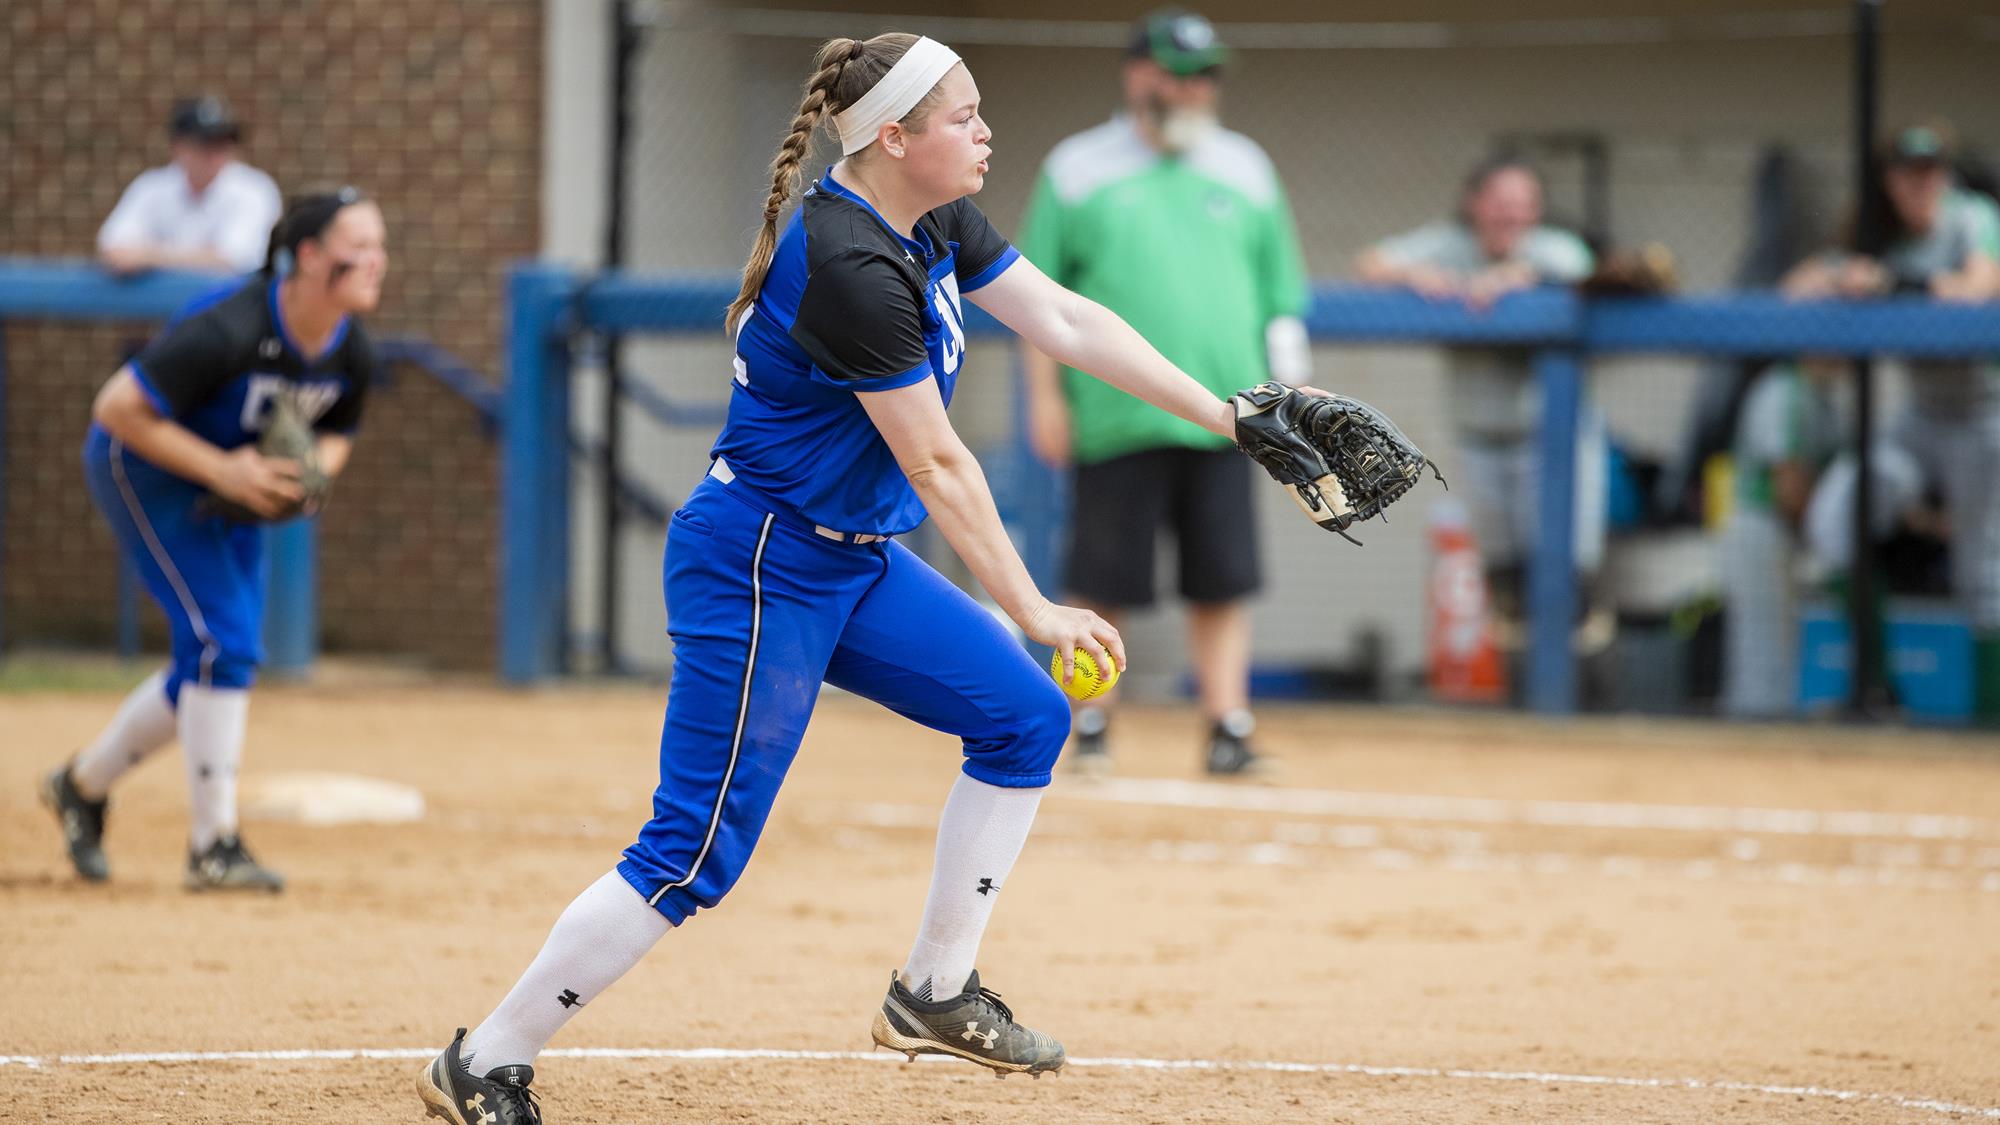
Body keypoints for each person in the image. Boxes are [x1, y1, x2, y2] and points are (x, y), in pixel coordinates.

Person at [416, 33, 1385, 1122]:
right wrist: (1030, 606)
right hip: (760, 563)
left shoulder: (928, 222)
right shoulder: (848, 262)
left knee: (1022, 718)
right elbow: (937, 461)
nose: (984, 131)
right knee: (694, 853)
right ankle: (486, 1057)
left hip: (852, 560)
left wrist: (1226, 416)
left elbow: (1061, 318)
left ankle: (931, 990)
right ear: (891, 138)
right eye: (962, 115)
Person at [39, 189, 387, 892]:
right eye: (359, 246)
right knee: (223, 643)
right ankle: (214, 846)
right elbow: (116, 408)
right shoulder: (231, 326)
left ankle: (81, 785)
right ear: (309, 255)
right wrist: (225, 468)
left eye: (382, 246)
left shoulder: (350, 344)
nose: (377, 261)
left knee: (217, 653)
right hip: (144, 465)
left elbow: (338, 433)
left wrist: (308, 477)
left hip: (237, 484)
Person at [1017, 8, 1308, 777]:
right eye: (1180, 74)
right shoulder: (1076, 167)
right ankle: (1089, 724)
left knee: (1223, 578)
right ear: (1137, 74)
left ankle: (1227, 726)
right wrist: (1045, 398)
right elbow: (1037, 298)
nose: (1195, 90)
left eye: (1206, 75)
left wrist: (1290, 401)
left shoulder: (1246, 166)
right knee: (1102, 576)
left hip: (1227, 414)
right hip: (1115, 412)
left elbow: (1281, 297)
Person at [1355, 157, 1604, 677]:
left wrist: (1521, 277)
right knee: (1506, 581)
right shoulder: (1448, 244)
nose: (1511, 214)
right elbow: (1370, 263)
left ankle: (1584, 702)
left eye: (1522, 204)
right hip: (1479, 438)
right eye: (1500, 202)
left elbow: (1583, 265)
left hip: (1551, 439)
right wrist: (1416, 274)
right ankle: (1524, 701)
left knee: (1569, 577)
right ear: (1475, 204)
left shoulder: (1549, 248)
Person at [1785, 120, 2000, 719]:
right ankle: (1876, 689)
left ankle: (1989, 723)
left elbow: (1980, 288)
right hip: (1922, 417)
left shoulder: (1970, 217)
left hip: (1987, 412)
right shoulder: (1877, 237)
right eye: (1908, 173)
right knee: (1834, 522)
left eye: (1931, 170)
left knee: (1984, 572)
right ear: (1889, 181)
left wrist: (1894, 284)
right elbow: (1793, 289)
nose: (1920, 184)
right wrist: (1844, 276)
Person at [1719, 359, 1845, 717]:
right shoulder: (1784, 391)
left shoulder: (1822, 398)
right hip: (1759, 524)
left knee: (1780, 643)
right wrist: (1826, 538)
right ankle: (1753, 730)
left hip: (1785, 531)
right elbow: (1788, 483)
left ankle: (1766, 728)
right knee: (1763, 642)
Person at [98, 96, 284, 277]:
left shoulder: (254, 189)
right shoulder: (151, 187)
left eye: (223, 143)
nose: (215, 154)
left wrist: (148, 256)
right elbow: (114, 249)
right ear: (177, 146)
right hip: (159, 308)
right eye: (205, 144)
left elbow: (233, 260)